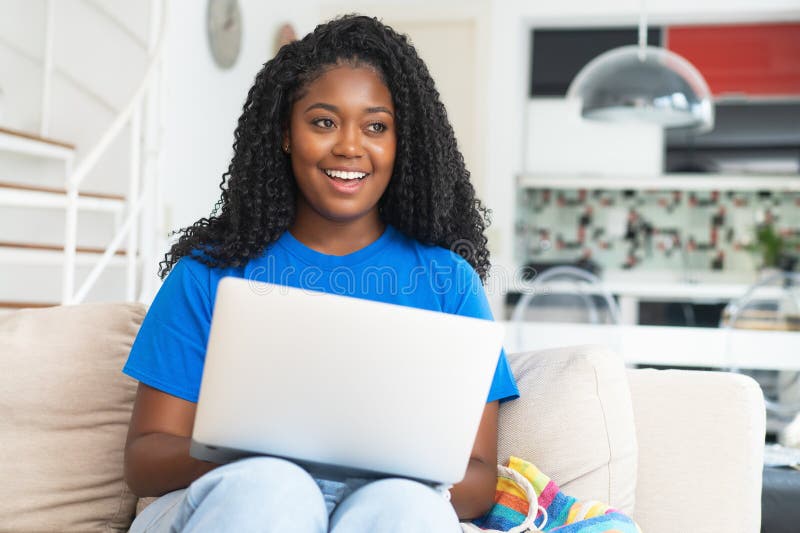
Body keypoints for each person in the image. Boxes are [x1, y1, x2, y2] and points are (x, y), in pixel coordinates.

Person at [123, 14, 519, 533]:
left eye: (376, 126)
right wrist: (256, 455)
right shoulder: (208, 273)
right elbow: (144, 460)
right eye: (324, 122)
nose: (350, 147)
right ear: (286, 134)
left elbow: (477, 480)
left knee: (408, 507)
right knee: (274, 489)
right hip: (235, 499)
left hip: (384, 509)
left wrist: (374, 474)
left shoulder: (449, 282)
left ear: (401, 142)